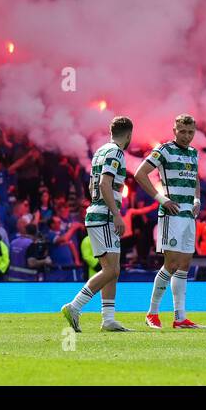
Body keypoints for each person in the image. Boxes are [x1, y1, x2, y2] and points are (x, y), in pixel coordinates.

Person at [60, 116, 134, 332]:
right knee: (111, 270)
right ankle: (75, 306)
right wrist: (116, 214)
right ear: (129, 135)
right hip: (104, 216)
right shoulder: (116, 152)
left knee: (113, 269)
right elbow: (104, 183)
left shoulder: (100, 151)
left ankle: (108, 319)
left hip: (97, 214)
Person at [135, 114, 204, 329]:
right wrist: (161, 199)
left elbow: (195, 178)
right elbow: (140, 174)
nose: (186, 136)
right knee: (171, 264)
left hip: (188, 215)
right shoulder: (164, 150)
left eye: (190, 132)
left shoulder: (193, 153)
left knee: (184, 266)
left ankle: (180, 317)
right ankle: (152, 314)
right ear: (174, 131)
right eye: (182, 131)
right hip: (171, 215)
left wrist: (197, 199)